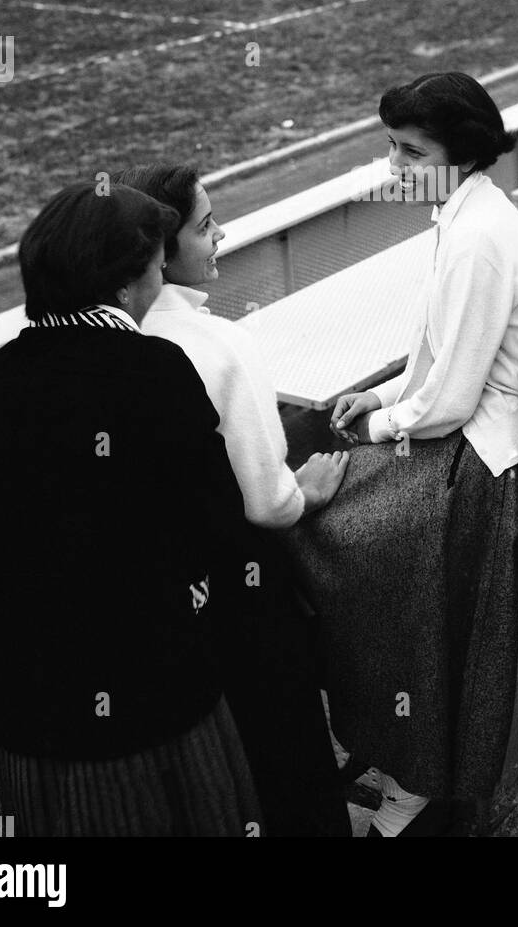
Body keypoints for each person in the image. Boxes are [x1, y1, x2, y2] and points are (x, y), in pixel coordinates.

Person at [285, 72, 518, 836]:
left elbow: (449, 403)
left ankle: (405, 770)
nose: (396, 166)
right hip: (462, 440)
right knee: (366, 565)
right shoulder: (465, 215)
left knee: (327, 533)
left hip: (481, 460)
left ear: (462, 152)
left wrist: (374, 431)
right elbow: (436, 354)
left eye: (411, 151)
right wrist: (379, 397)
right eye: (392, 148)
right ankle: (394, 752)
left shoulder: (476, 236)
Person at [0, 182, 262, 836]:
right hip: (151, 713)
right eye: (157, 265)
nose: (162, 276)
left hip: (26, 709)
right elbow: (218, 525)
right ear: (126, 285)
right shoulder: (154, 368)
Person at [114, 163, 351, 837]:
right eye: (207, 225)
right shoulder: (220, 346)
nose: (222, 234)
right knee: (289, 749)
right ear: (161, 250)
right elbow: (266, 502)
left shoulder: (112, 340)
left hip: (160, 604)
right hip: (240, 592)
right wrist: (300, 494)